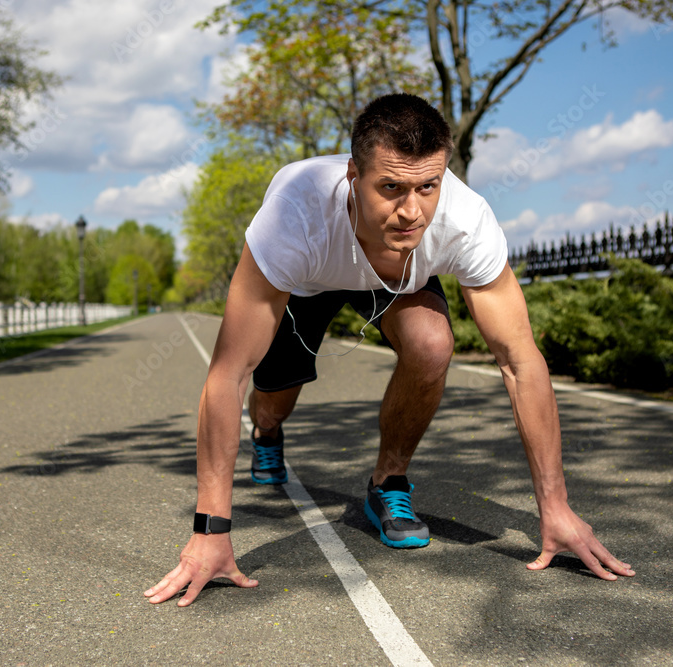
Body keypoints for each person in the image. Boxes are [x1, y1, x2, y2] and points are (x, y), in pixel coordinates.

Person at [145, 93, 634, 607]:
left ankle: (388, 482)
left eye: (428, 186)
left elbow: (520, 360)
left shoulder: (465, 219)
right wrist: (210, 529)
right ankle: (269, 431)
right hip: (308, 281)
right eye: (391, 188)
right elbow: (227, 373)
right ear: (353, 176)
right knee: (271, 398)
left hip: (395, 279)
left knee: (432, 345)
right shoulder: (296, 211)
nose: (411, 210)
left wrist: (555, 507)